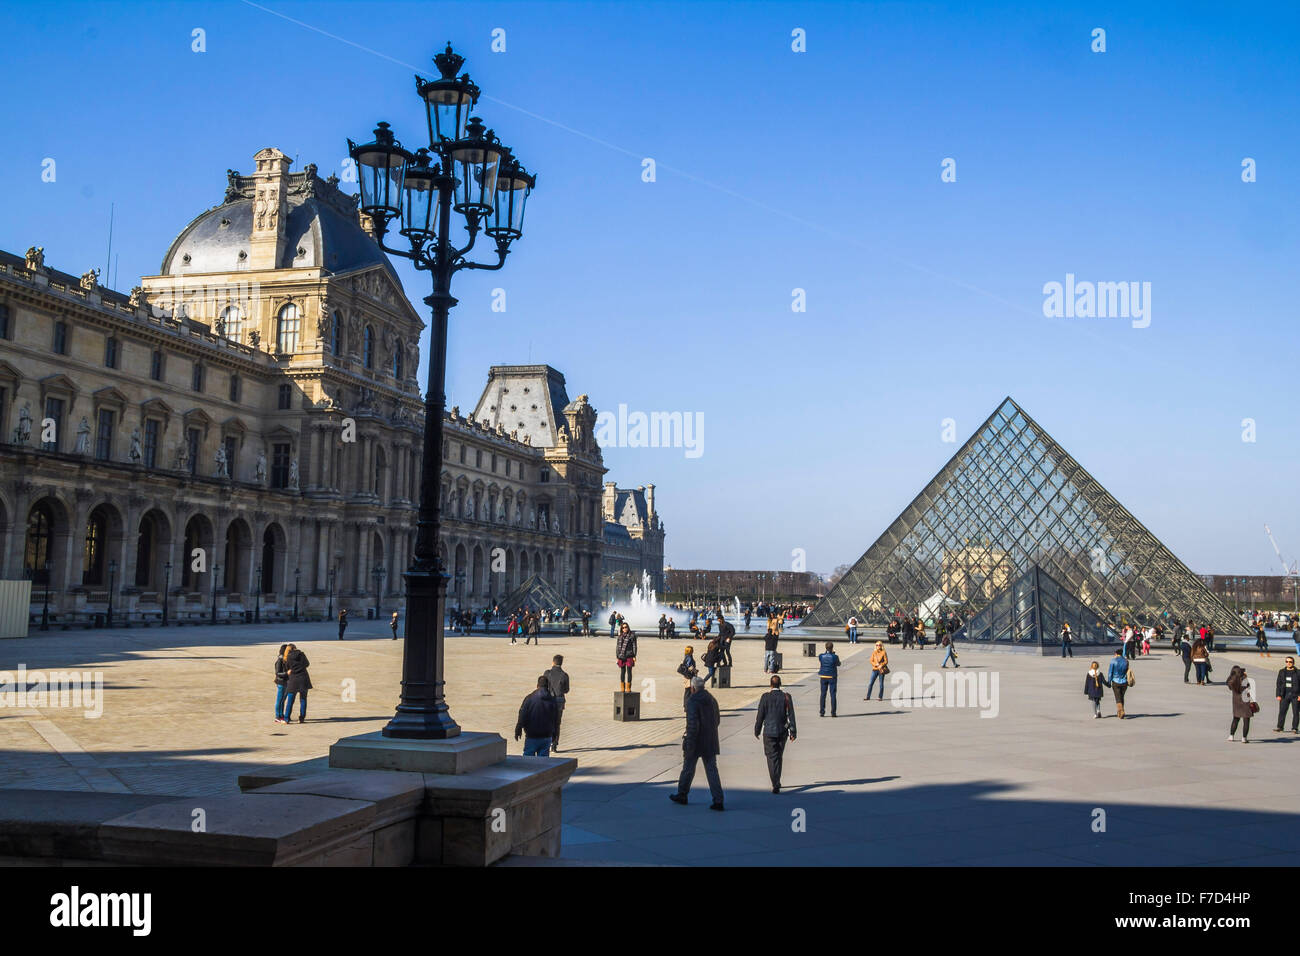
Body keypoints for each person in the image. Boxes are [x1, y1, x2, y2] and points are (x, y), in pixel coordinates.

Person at [670, 677, 724, 810]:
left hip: (696, 742)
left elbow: (692, 725)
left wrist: (689, 742)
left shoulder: (692, 701)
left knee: (688, 769)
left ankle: (682, 794)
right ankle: (718, 799)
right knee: (712, 770)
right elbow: (717, 720)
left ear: (693, 688)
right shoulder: (711, 699)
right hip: (710, 741)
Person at [754, 675, 797, 793]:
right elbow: (791, 715)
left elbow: (760, 716)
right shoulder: (786, 697)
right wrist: (793, 732)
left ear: (770, 685)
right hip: (782, 731)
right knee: (778, 756)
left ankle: (775, 782)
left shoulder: (765, 697)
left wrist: (757, 730)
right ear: (780, 684)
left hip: (768, 732)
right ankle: (777, 779)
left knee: (771, 757)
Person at [514, 675, 558, 757]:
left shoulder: (530, 698)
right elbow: (556, 720)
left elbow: (522, 715)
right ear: (547, 686)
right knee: (543, 763)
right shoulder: (552, 700)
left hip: (532, 736)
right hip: (546, 736)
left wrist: (518, 729)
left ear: (537, 685)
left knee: (528, 761)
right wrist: (555, 734)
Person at [545, 655, 570, 752]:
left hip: (548, 700)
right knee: (557, 723)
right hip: (559, 701)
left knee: (547, 722)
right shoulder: (564, 675)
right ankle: (554, 744)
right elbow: (567, 690)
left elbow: (543, 685)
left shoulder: (547, 673)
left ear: (553, 662)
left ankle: (546, 743)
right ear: (561, 663)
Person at [283, 644, 312, 723]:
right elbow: (307, 664)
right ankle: (301, 718)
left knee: (290, 701)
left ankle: (286, 719)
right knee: (303, 700)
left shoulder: (288, 657)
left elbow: (288, 667)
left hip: (293, 680)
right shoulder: (302, 654)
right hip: (303, 679)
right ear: (295, 648)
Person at [1226, 665, 1255, 743]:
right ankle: (1244, 738)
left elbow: (1229, 685)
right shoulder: (1244, 679)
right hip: (1245, 701)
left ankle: (1231, 736)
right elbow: (1249, 688)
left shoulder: (1232, 681)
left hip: (1236, 702)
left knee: (1235, 719)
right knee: (1246, 720)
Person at [1273, 656, 1299, 733]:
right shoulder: (1282, 672)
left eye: (1290, 662)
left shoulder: (1298, 672)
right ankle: (1280, 727)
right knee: (1282, 711)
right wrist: (1278, 695)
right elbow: (1278, 684)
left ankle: (1294, 728)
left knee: (1296, 712)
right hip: (1284, 694)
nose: (1288, 663)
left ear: (1293, 663)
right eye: (1287, 661)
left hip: (1295, 695)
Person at [818, 641, 841, 717]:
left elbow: (821, 660)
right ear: (832, 648)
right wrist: (833, 654)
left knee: (823, 694)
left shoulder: (821, 656)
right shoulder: (835, 657)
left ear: (825, 647)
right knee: (833, 694)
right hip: (832, 676)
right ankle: (833, 712)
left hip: (823, 676)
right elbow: (838, 664)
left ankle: (822, 711)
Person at [1106, 648, 1132, 719]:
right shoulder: (1126, 661)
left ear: (1116, 653)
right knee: (1121, 696)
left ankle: (1121, 711)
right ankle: (1120, 712)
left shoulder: (1113, 661)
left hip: (1115, 681)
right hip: (1124, 682)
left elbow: (1110, 672)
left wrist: (1109, 681)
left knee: (1118, 697)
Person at [616, 622, 638, 692]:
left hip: (629, 656)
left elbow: (634, 646)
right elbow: (617, 647)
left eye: (626, 627)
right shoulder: (620, 636)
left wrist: (634, 655)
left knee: (629, 672)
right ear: (621, 629)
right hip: (621, 656)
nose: (624, 629)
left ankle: (628, 687)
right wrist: (617, 656)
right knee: (622, 672)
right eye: (623, 627)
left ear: (628, 627)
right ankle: (622, 686)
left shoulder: (632, 635)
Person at [678, 646, 698, 711]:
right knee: (689, 692)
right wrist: (695, 671)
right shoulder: (689, 658)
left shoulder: (686, 656)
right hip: (690, 677)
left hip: (686, 676)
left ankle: (686, 706)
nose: (693, 651)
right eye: (692, 650)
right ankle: (687, 707)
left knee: (687, 692)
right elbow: (690, 667)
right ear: (690, 651)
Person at [274, 643, 289, 723]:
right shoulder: (279, 660)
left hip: (286, 682)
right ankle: (277, 716)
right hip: (281, 682)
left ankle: (281, 715)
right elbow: (277, 673)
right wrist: (287, 673)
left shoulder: (285, 660)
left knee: (283, 700)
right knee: (279, 700)